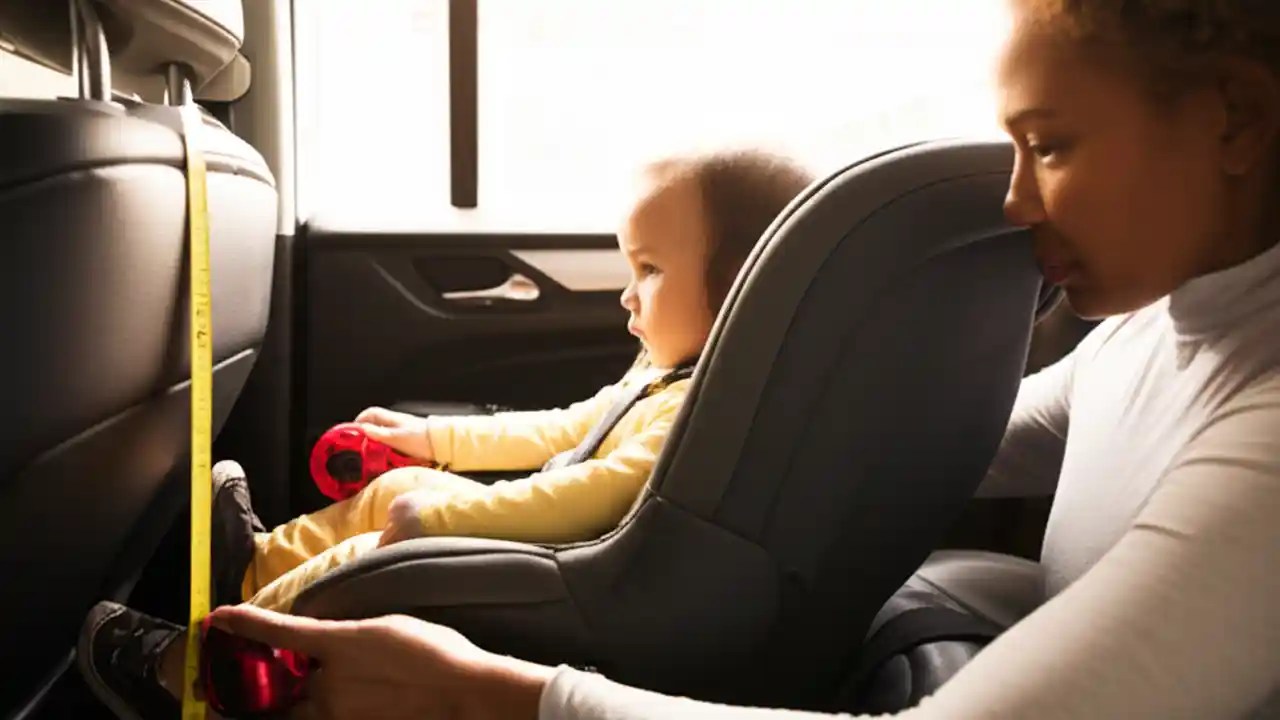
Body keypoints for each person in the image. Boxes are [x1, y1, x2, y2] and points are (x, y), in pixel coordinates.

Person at [87, 0, 1280, 715]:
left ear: (1231, 119)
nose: (1015, 200)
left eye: (1050, 146)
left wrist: (490, 695)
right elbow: (899, 444)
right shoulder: (1149, 336)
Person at [75, 150, 814, 718]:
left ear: (742, 290)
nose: (626, 293)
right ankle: (252, 570)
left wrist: (442, 520)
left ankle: (207, 669)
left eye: (648, 270)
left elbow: (591, 497)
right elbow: (565, 427)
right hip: (553, 543)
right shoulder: (662, 375)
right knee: (399, 485)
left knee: (372, 554)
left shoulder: (697, 411)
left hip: (573, 567)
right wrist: (432, 441)